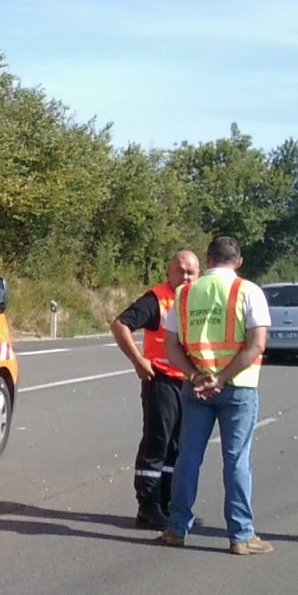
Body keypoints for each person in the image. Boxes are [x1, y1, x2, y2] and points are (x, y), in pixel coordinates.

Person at [155, 236, 273, 555]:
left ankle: (176, 528)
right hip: (239, 387)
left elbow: (171, 347)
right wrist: (221, 379)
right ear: (239, 261)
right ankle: (241, 536)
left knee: (188, 458)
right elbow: (256, 345)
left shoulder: (183, 293)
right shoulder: (249, 292)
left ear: (207, 259)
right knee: (236, 460)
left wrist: (197, 377)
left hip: (195, 388)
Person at [109, 250, 201, 529]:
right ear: (168, 271)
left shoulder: (199, 298)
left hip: (188, 380)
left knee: (178, 445)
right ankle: (148, 507)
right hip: (161, 379)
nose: (185, 276)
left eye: (190, 272)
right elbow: (120, 324)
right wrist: (138, 361)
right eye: (179, 270)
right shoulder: (157, 299)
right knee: (157, 442)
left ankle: (169, 505)